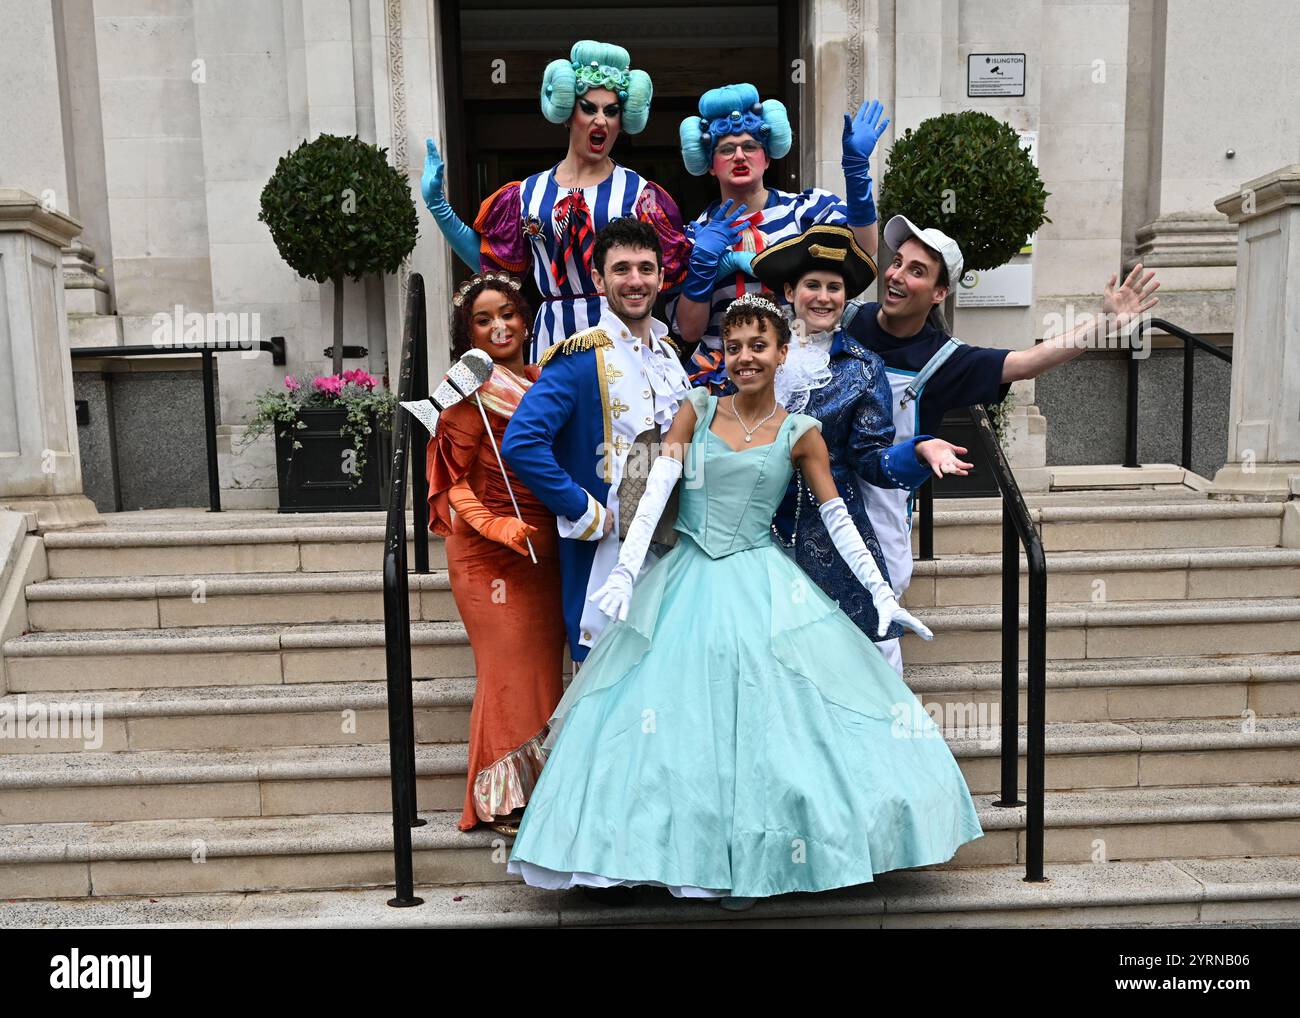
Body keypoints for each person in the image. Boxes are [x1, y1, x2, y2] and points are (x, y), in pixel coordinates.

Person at [505, 293, 983, 904]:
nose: (744, 357)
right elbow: (655, 492)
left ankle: (782, 851)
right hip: (686, 579)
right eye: (733, 347)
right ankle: (661, 852)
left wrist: (880, 595)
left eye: (758, 346)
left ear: (783, 353)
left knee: (773, 722)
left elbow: (836, 518)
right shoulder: (695, 409)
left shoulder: (801, 433)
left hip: (763, 579)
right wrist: (625, 570)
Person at [841, 215, 1161, 668]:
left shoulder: (946, 359)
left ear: (938, 293)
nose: (895, 275)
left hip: (880, 516)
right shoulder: (844, 321)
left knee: (871, 644)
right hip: (817, 499)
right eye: (897, 262)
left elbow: (1027, 361)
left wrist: (1104, 324)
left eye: (917, 271)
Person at [749, 225, 973, 674]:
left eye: (835, 288)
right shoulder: (757, 355)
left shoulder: (863, 368)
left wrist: (919, 451)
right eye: (812, 284)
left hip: (834, 534)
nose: (823, 297)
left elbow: (870, 457)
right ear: (790, 290)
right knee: (768, 663)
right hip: (758, 532)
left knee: (862, 660)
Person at [420, 40, 689, 361]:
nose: (600, 120)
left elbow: (669, 278)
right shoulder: (527, 194)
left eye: (611, 111)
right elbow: (491, 268)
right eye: (589, 108)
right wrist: (440, 207)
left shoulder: (641, 194)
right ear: (567, 114)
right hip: (550, 344)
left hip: (624, 341)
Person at [501, 218, 692, 666]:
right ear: (599, 279)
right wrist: (583, 508)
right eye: (621, 269)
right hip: (608, 550)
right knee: (607, 681)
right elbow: (522, 442)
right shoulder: (578, 356)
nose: (635, 281)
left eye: (646, 268)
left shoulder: (670, 356)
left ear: (662, 278)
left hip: (675, 544)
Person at [424, 273, 566, 835]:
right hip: (487, 553)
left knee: (541, 670)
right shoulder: (461, 386)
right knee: (507, 666)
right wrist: (495, 526)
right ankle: (503, 799)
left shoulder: (545, 378)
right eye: (483, 319)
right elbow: (449, 479)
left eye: (507, 313)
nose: (499, 325)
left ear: (526, 319)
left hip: (542, 544)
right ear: (468, 333)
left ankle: (539, 786)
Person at [669, 84, 889, 392]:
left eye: (750, 146)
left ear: (767, 157)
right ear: (710, 164)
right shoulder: (693, 235)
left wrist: (856, 171)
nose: (739, 156)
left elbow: (864, 248)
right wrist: (702, 264)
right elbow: (690, 331)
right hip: (721, 377)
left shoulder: (807, 210)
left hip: (796, 367)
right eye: (726, 149)